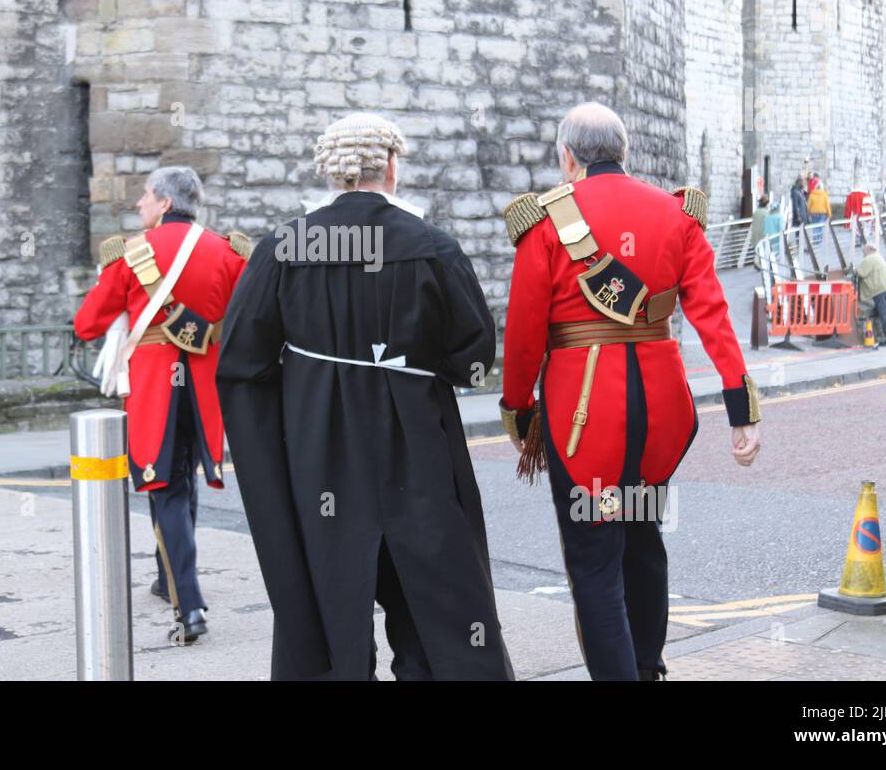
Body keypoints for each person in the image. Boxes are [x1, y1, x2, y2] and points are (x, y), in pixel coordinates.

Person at [216, 112, 515, 681]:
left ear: (329, 170)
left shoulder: (283, 247)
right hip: (419, 451)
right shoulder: (433, 246)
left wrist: (298, 407)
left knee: (331, 599)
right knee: (438, 604)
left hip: (318, 456)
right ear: (392, 166)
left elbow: (241, 364)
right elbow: (473, 358)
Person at [499, 102, 762, 681]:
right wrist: (741, 411)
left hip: (584, 420)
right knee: (644, 540)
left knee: (595, 564)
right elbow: (712, 315)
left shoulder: (545, 222)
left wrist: (521, 413)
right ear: (625, 152)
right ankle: (648, 669)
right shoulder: (675, 214)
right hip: (661, 416)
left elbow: (522, 337)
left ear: (568, 158)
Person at [73, 166, 250, 644]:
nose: (139, 205)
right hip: (204, 387)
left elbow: (88, 324)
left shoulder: (132, 254)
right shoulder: (228, 252)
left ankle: (188, 604)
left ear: (166, 204)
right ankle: (164, 573)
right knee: (182, 478)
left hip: (155, 385)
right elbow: (250, 317)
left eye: (146, 197)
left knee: (164, 485)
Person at [854, 243, 886, 347]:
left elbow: (860, 273)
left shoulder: (869, 259)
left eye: (863, 252)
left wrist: (852, 271)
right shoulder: (879, 257)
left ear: (867, 251)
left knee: (885, 315)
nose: (863, 254)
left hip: (879, 291)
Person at [807, 175, 831, 248]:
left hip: (813, 213)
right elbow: (827, 205)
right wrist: (829, 215)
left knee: (814, 226)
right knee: (820, 226)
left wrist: (808, 213)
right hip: (822, 213)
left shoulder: (812, 195)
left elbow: (809, 205)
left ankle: (815, 239)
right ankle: (819, 240)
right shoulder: (824, 195)